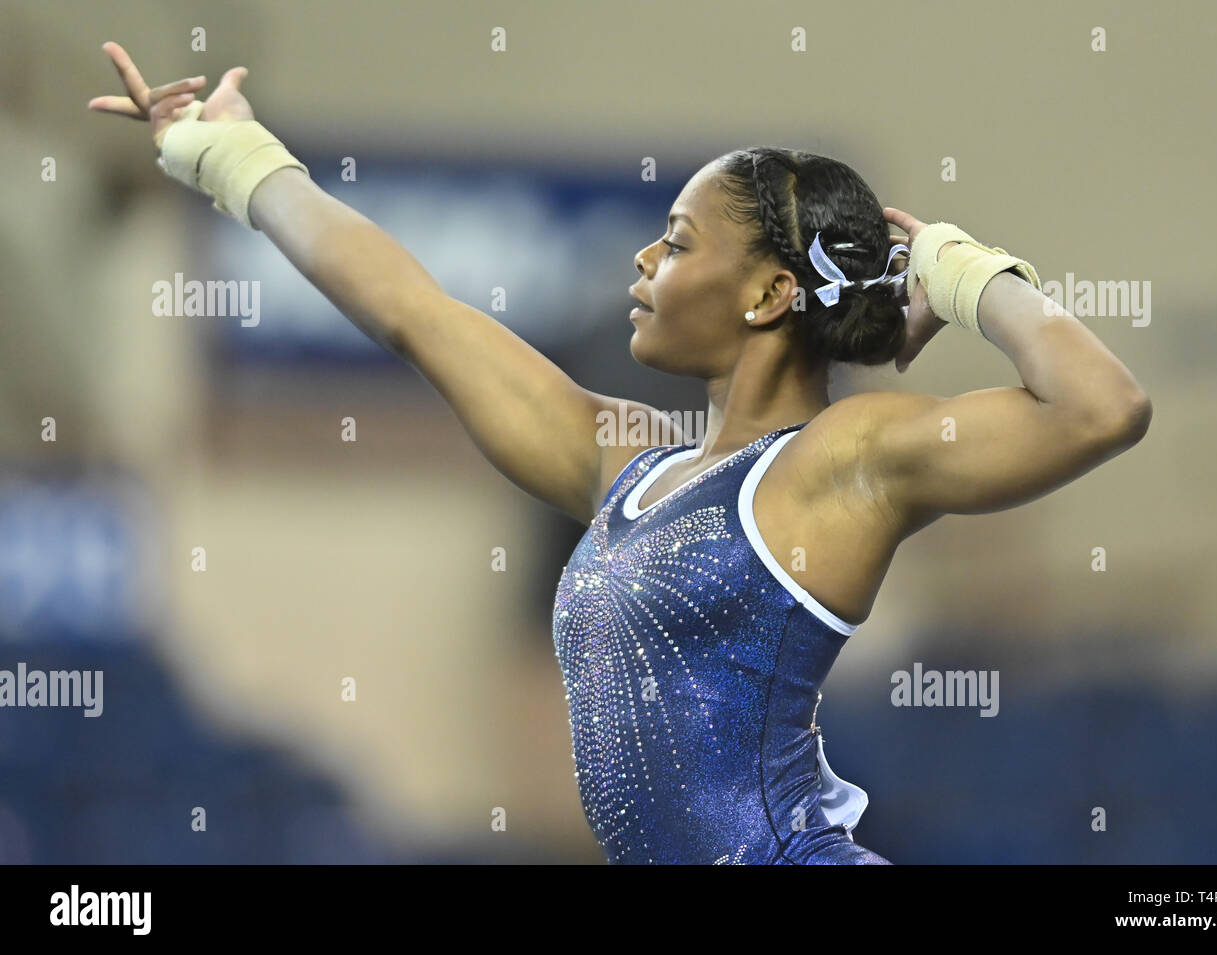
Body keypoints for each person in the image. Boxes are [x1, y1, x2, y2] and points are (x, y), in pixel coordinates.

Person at [89, 44, 1152, 864]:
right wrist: (240, 159)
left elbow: (1102, 406)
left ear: (770, 292)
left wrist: (957, 268)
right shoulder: (623, 461)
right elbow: (412, 309)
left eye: (681, 242)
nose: (643, 260)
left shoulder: (842, 459)